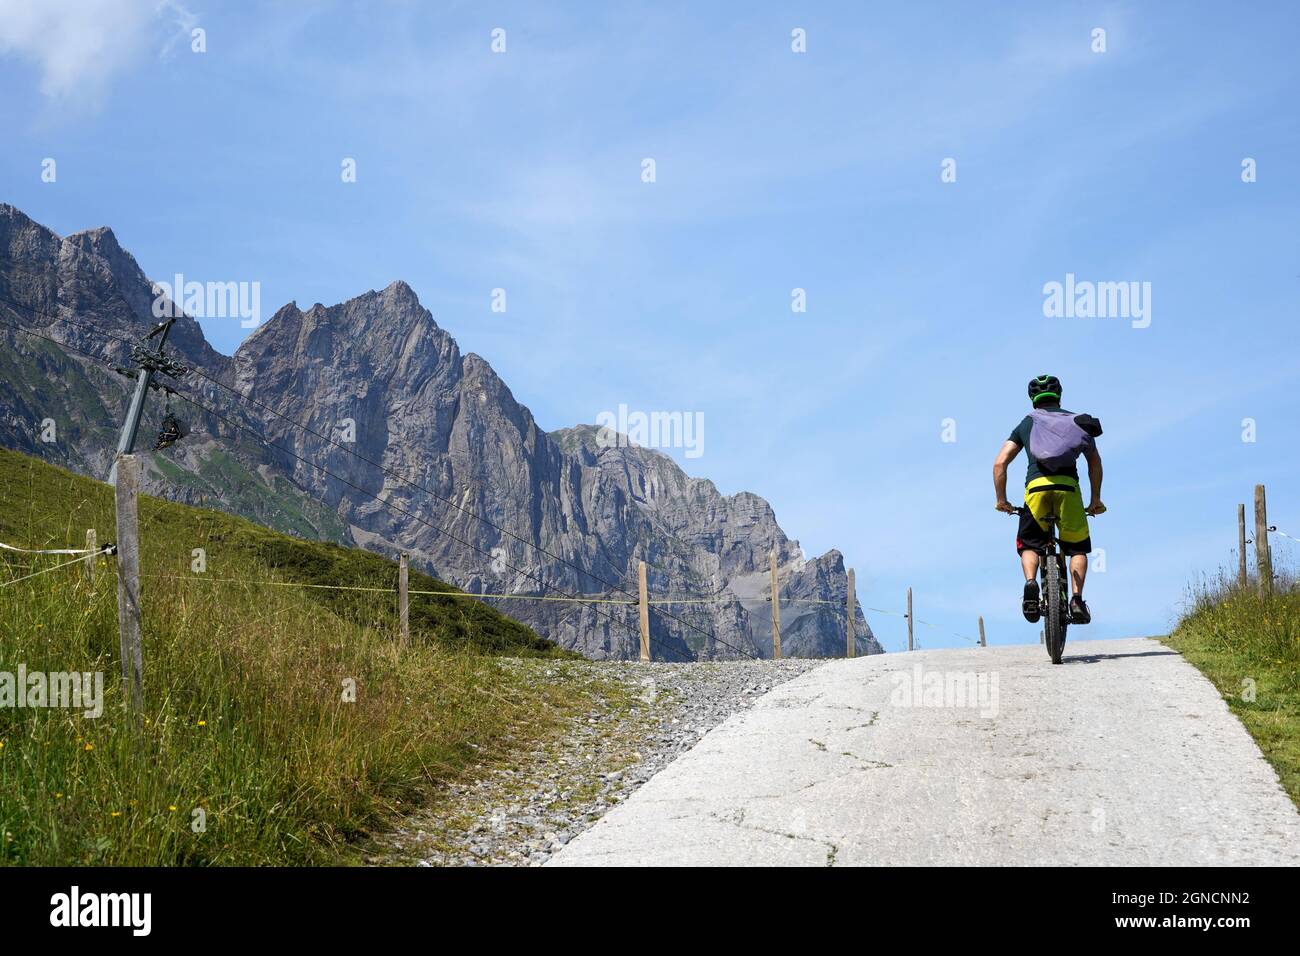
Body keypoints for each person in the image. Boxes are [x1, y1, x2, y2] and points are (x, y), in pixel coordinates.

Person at [992, 375, 1105, 624]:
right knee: (1076, 548)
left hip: (1036, 490)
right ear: (1060, 395)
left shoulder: (1027, 423)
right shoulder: (1079, 422)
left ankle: (1031, 583)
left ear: (1033, 399)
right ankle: (1076, 599)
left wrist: (1002, 499)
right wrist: (1095, 498)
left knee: (1031, 545)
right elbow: (1094, 462)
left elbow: (1000, 463)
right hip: (1068, 490)